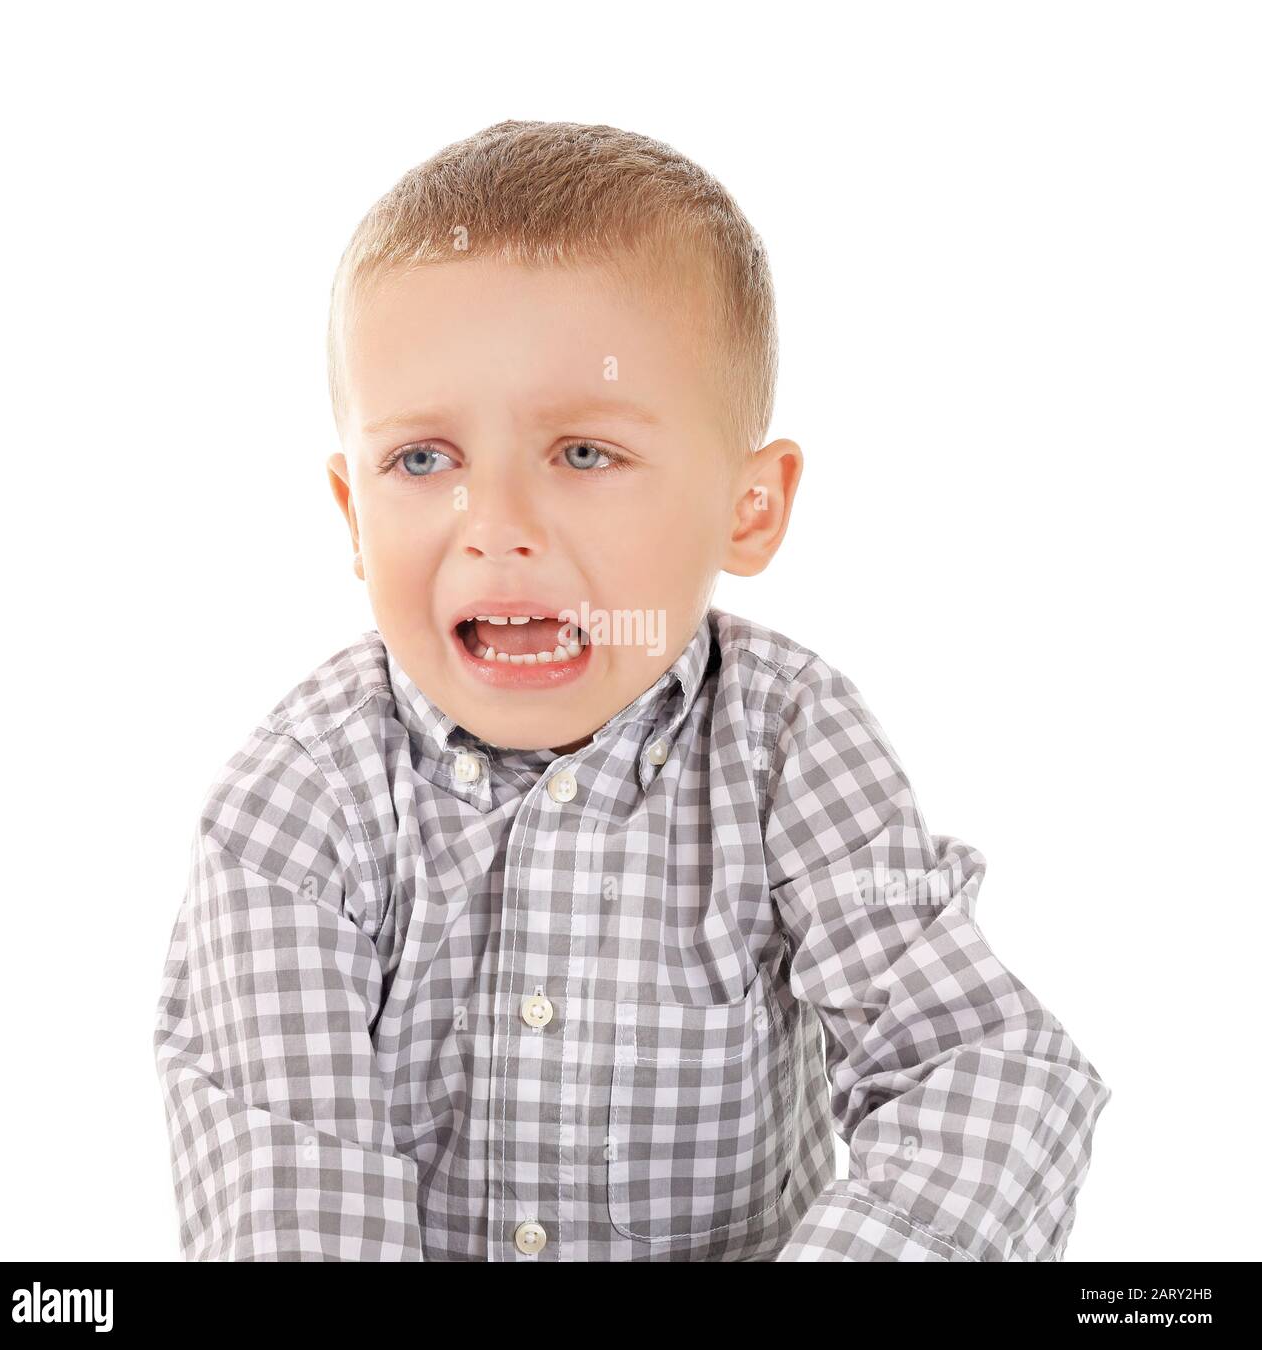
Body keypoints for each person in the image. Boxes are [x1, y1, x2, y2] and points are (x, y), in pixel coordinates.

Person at [153, 119, 1111, 1261]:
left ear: (748, 508)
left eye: (583, 454)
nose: (496, 528)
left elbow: (989, 1072)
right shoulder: (294, 801)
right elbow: (287, 1181)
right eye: (423, 460)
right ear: (354, 512)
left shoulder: (788, 739)